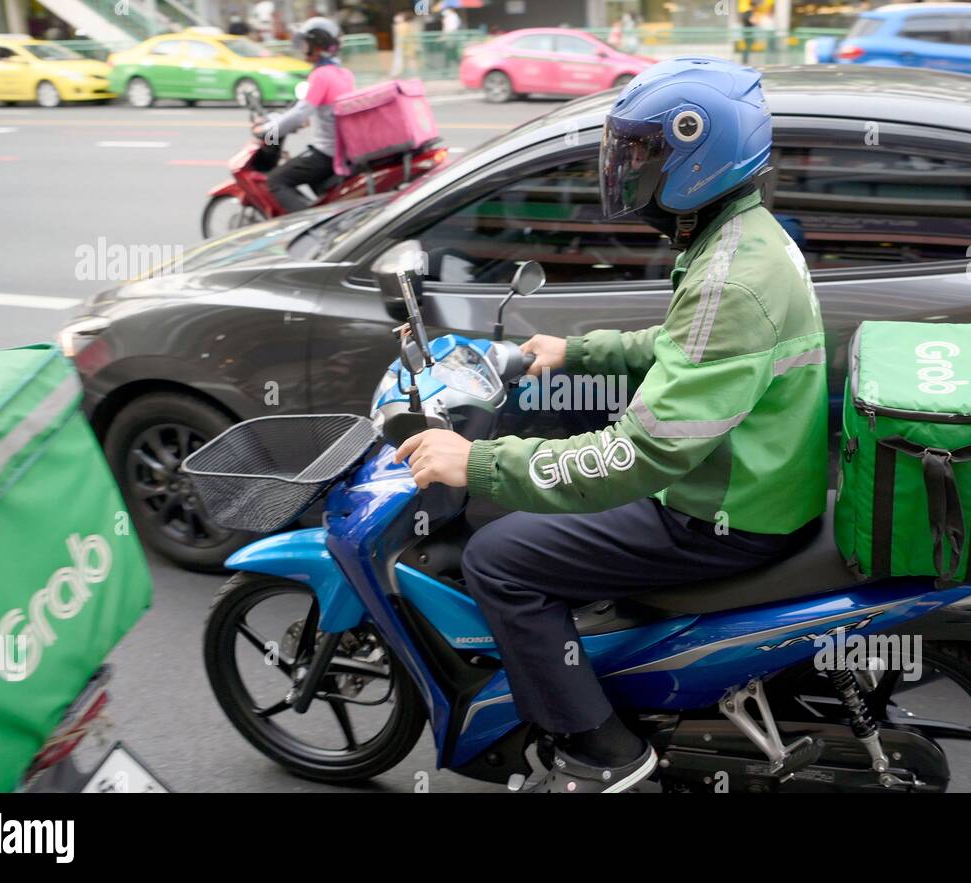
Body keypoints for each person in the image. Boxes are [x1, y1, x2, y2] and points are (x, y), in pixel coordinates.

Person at [392, 57, 828, 793]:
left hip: (719, 510)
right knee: (559, 429)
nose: (626, 167)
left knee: (498, 557)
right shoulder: (745, 237)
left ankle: (602, 749)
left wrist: (481, 463)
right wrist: (577, 352)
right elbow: (690, 352)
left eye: (643, 152)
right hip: (752, 473)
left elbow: (643, 456)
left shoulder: (732, 276)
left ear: (699, 157)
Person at [255, 17, 356, 213]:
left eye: (306, 43)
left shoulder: (320, 75)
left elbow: (300, 113)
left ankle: (307, 229)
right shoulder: (343, 73)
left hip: (327, 153)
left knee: (276, 180)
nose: (302, 48)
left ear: (318, 45)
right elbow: (325, 110)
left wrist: (267, 131)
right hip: (343, 151)